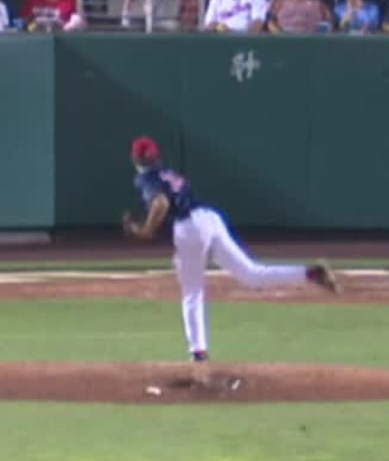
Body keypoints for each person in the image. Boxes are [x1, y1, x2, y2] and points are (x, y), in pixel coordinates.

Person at [121, 136, 340, 364]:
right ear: (156, 156)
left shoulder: (145, 177)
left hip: (189, 228)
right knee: (251, 274)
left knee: (192, 293)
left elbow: (161, 203)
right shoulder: (167, 172)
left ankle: (198, 354)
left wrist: (145, 231)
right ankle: (310, 274)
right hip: (209, 218)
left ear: (134, 157)